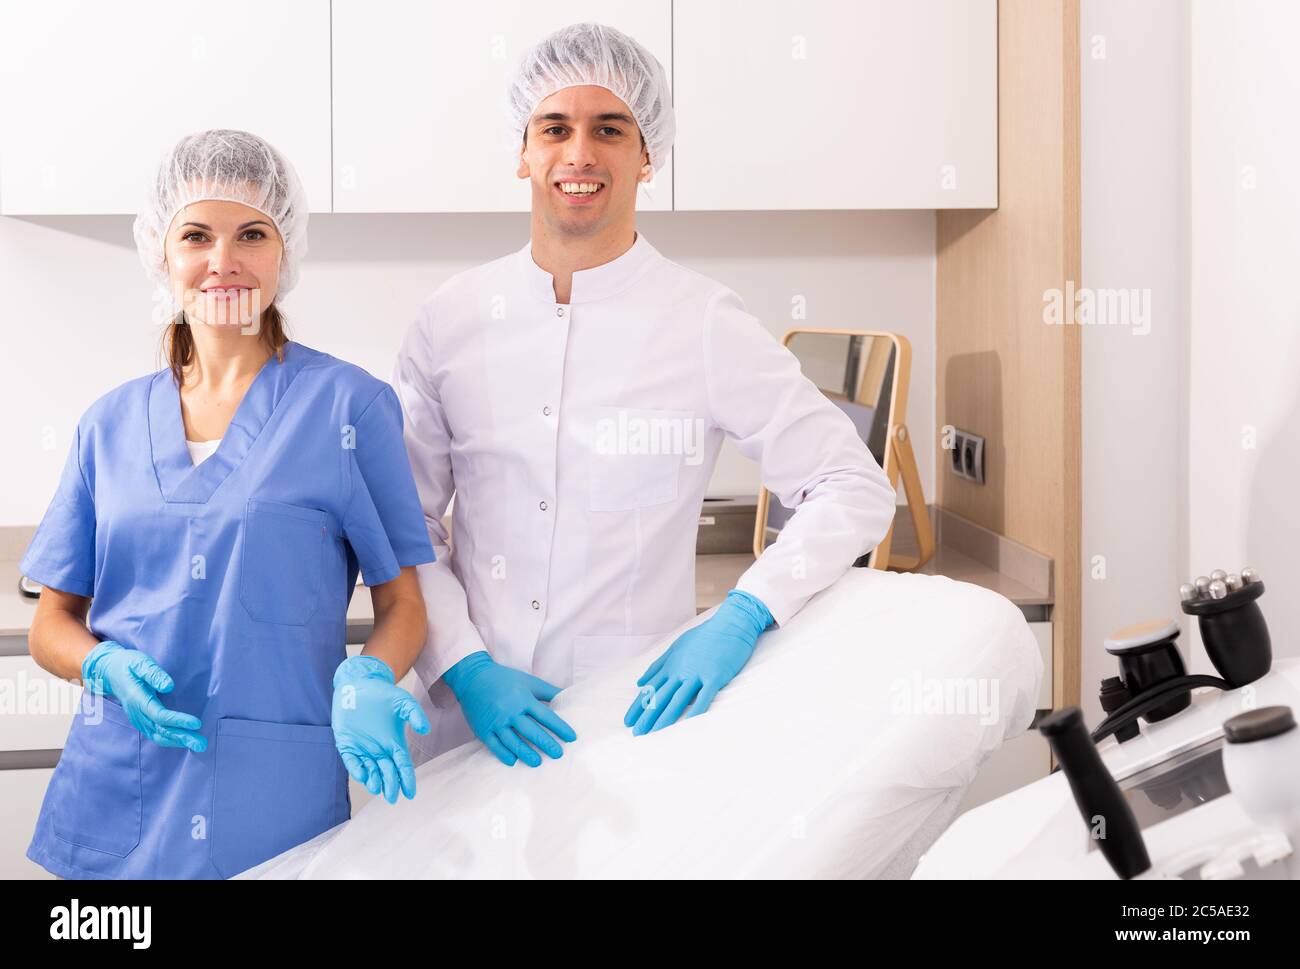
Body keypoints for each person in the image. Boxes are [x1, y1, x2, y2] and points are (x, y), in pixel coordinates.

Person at [393, 23, 898, 768]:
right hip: (466, 726)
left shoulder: (701, 320)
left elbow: (853, 486)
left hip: (629, 722)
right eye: (554, 127)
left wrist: (745, 611)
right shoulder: (451, 320)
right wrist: (464, 667)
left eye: (609, 128)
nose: (579, 153)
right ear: (523, 152)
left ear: (646, 154)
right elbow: (409, 522)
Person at [23, 130, 435, 878]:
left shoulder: (349, 406)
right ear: (162, 252)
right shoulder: (107, 424)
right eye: (196, 235)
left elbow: (403, 602)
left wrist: (368, 674)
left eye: (252, 233)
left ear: (286, 251)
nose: (223, 260)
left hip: (270, 806)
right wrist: (101, 665)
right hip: (116, 791)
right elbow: (51, 622)